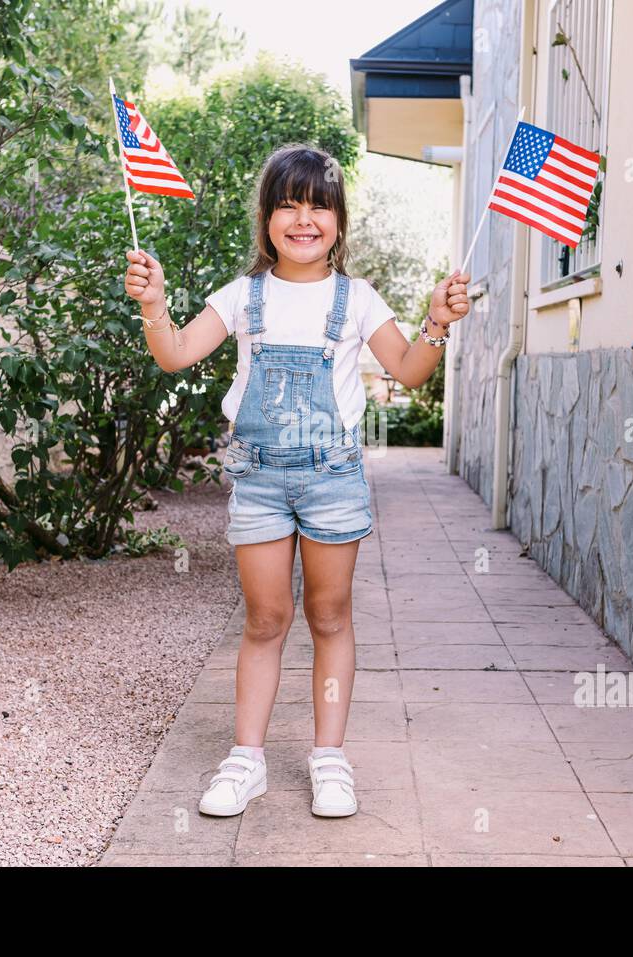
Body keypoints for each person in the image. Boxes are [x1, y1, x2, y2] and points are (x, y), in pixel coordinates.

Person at [123, 143, 470, 818]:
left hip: (333, 477)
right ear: (267, 217)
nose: (303, 218)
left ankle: (329, 758)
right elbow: (174, 354)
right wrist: (154, 303)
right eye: (288, 203)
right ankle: (246, 759)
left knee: (330, 614)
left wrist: (437, 323)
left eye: (318, 205)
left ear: (338, 219)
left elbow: (409, 370)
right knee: (266, 617)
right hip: (258, 477)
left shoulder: (357, 298)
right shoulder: (242, 295)